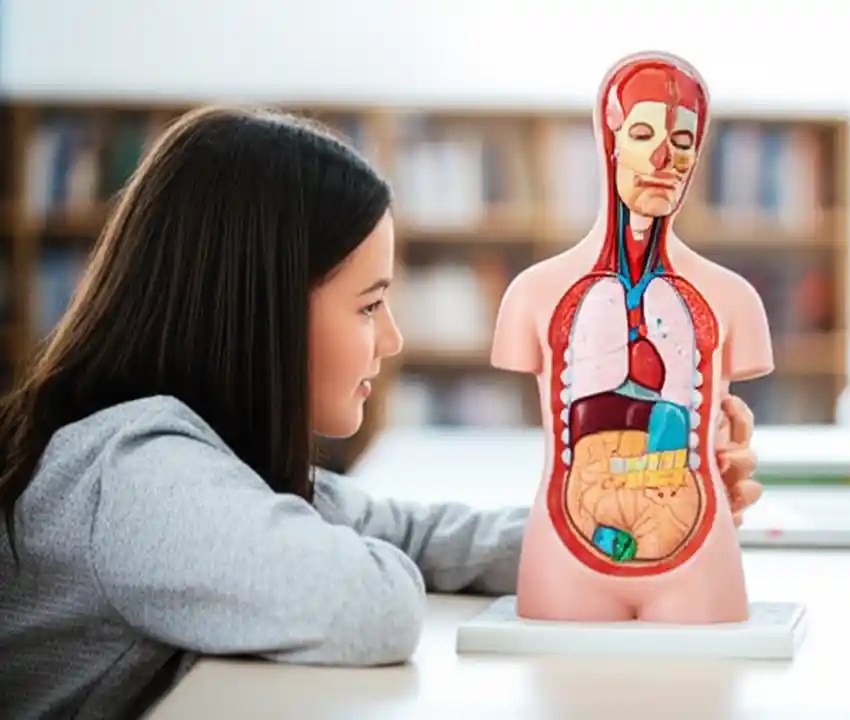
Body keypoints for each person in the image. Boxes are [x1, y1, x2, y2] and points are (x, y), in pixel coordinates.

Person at [0, 106, 764, 720]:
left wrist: (641, 522)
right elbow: (365, 605)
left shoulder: (202, 460)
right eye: (369, 306)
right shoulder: (141, 475)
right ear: (261, 313)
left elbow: (421, 535)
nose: (393, 340)